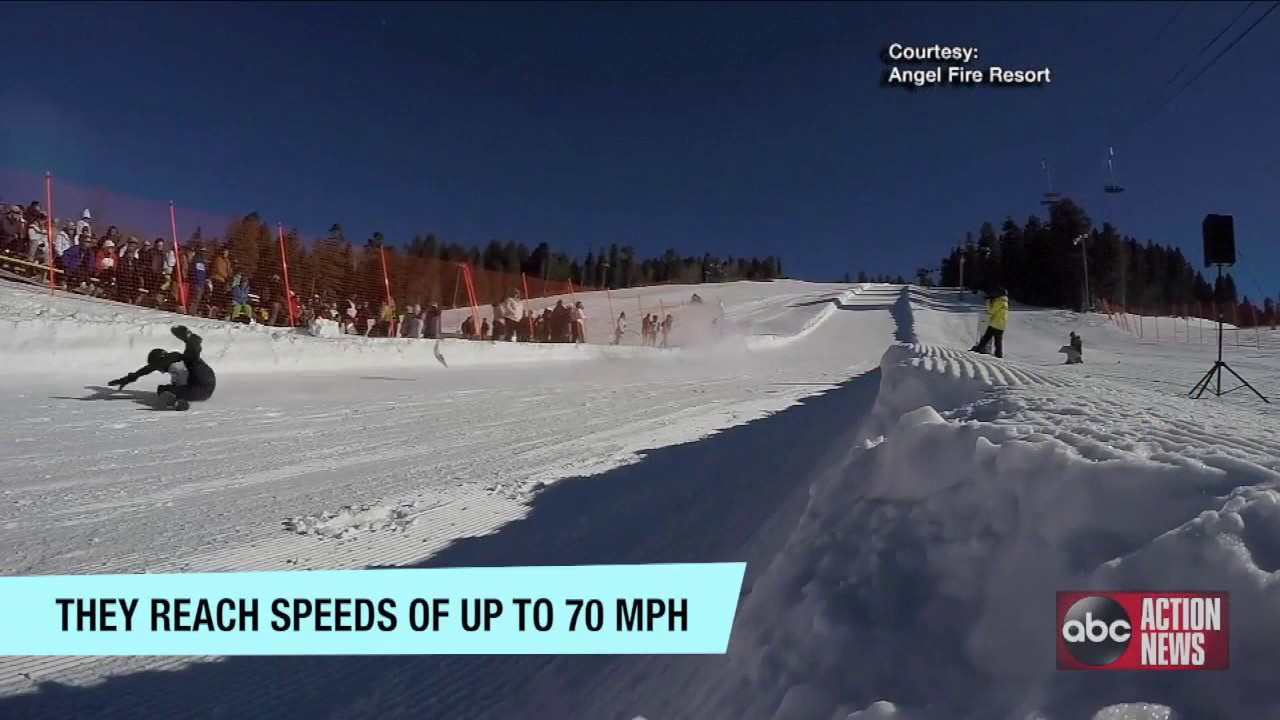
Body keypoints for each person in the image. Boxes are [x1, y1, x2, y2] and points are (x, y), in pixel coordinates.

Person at [108, 325, 217, 409]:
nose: (160, 371)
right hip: (204, 385)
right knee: (190, 363)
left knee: (188, 364)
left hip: (201, 384)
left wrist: (132, 377)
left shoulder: (171, 359)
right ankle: (193, 345)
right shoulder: (176, 361)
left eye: (158, 368)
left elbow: (153, 366)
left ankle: (192, 344)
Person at [971, 287, 1009, 358]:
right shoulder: (1004, 301)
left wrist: (988, 302)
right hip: (1001, 323)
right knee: (997, 339)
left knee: (987, 337)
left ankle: (979, 349)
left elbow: (991, 311)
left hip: (995, 322)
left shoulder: (999, 302)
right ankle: (998, 354)